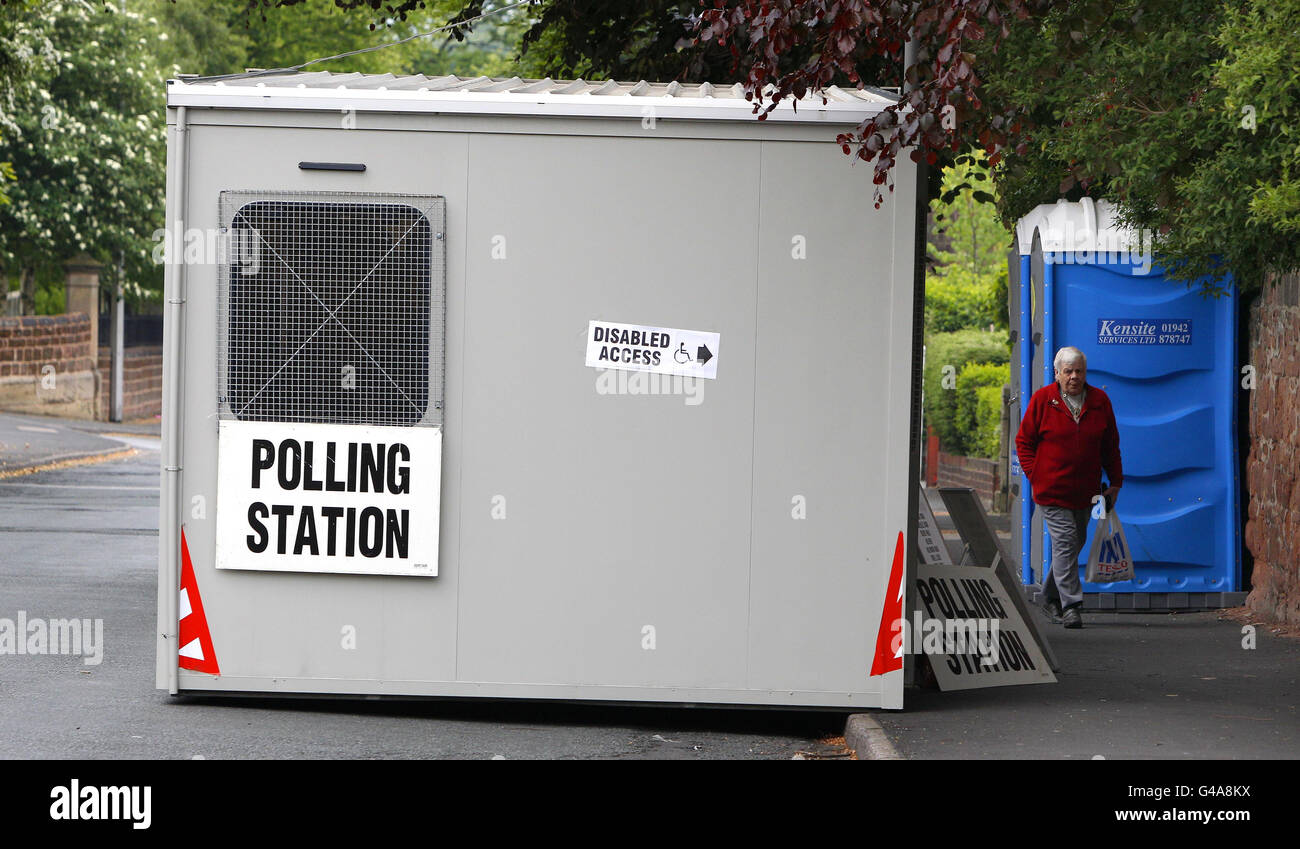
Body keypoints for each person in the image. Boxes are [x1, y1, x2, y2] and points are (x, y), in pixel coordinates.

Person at [1015, 346, 1122, 629]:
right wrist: (1035, 474)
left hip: (1087, 492)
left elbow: (1111, 446)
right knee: (1065, 542)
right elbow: (1023, 442)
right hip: (1051, 490)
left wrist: (1116, 482)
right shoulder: (1043, 400)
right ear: (1057, 373)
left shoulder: (1100, 401)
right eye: (1068, 371)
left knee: (1075, 543)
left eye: (1079, 371)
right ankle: (1071, 604)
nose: (1074, 376)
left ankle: (1048, 598)